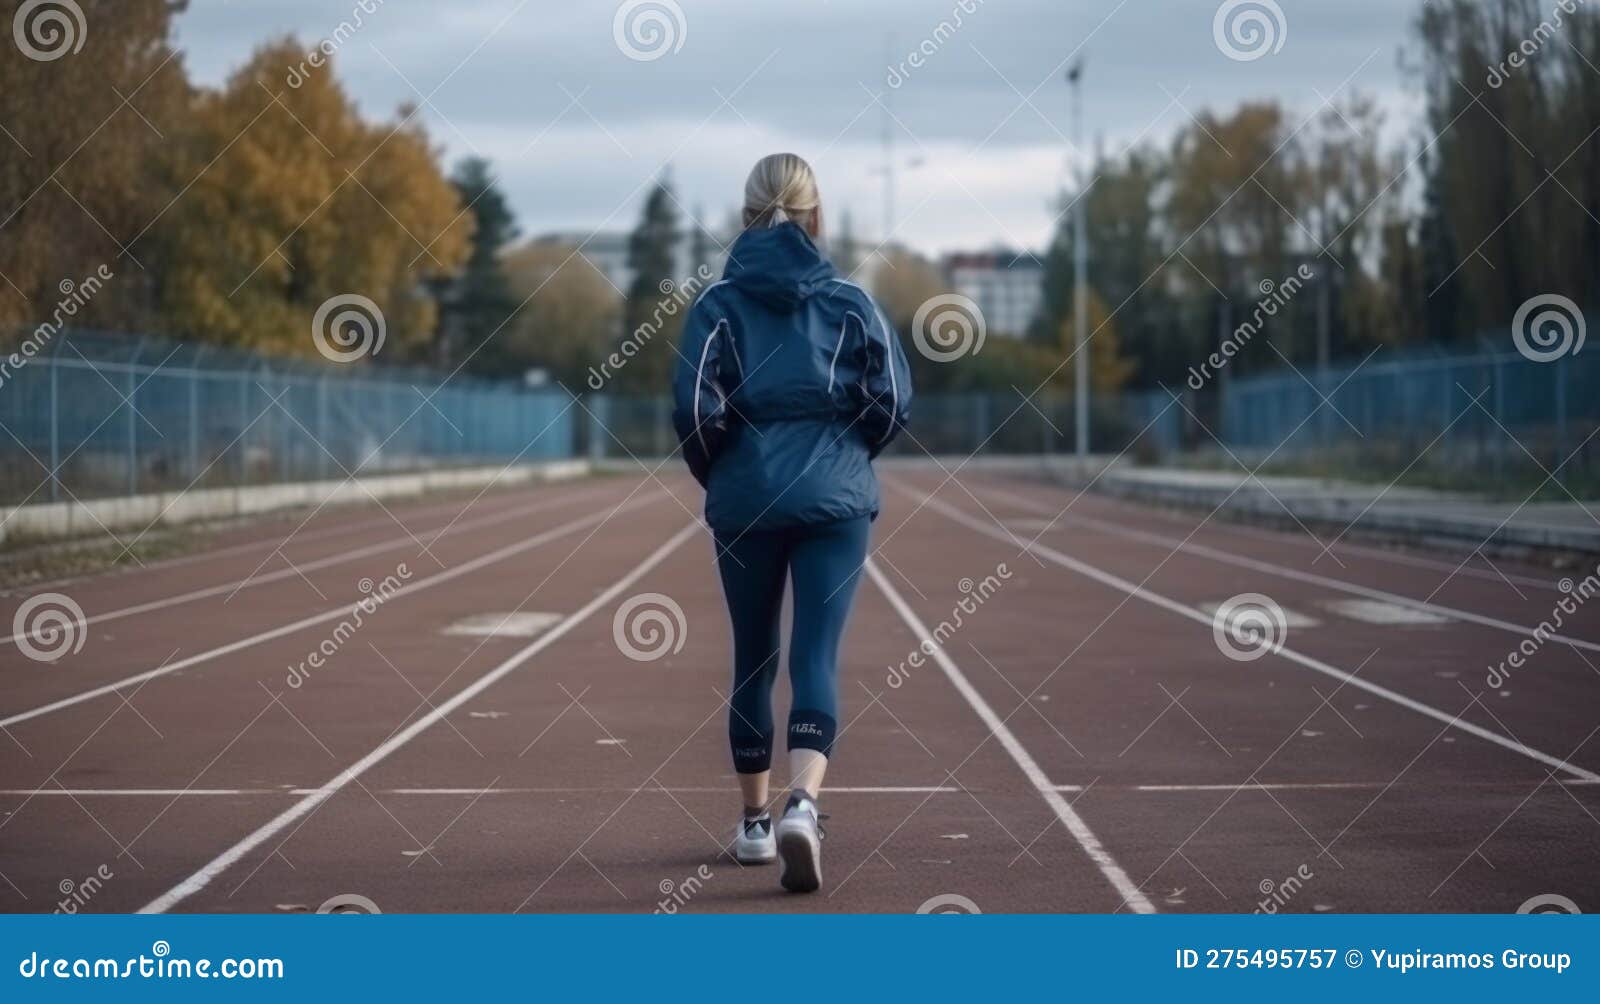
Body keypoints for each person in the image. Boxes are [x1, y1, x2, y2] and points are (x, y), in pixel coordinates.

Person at [672, 153, 912, 893]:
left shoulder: (715, 308)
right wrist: (843, 453)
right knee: (816, 657)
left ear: (745, 215)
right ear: (817, 214)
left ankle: (752, 827)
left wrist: (728, 472)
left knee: (753, 657)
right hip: (834, 502)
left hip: (746, 501)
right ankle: (802, 806)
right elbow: (892, 400)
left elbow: (693, 412)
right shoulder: (850, 301)